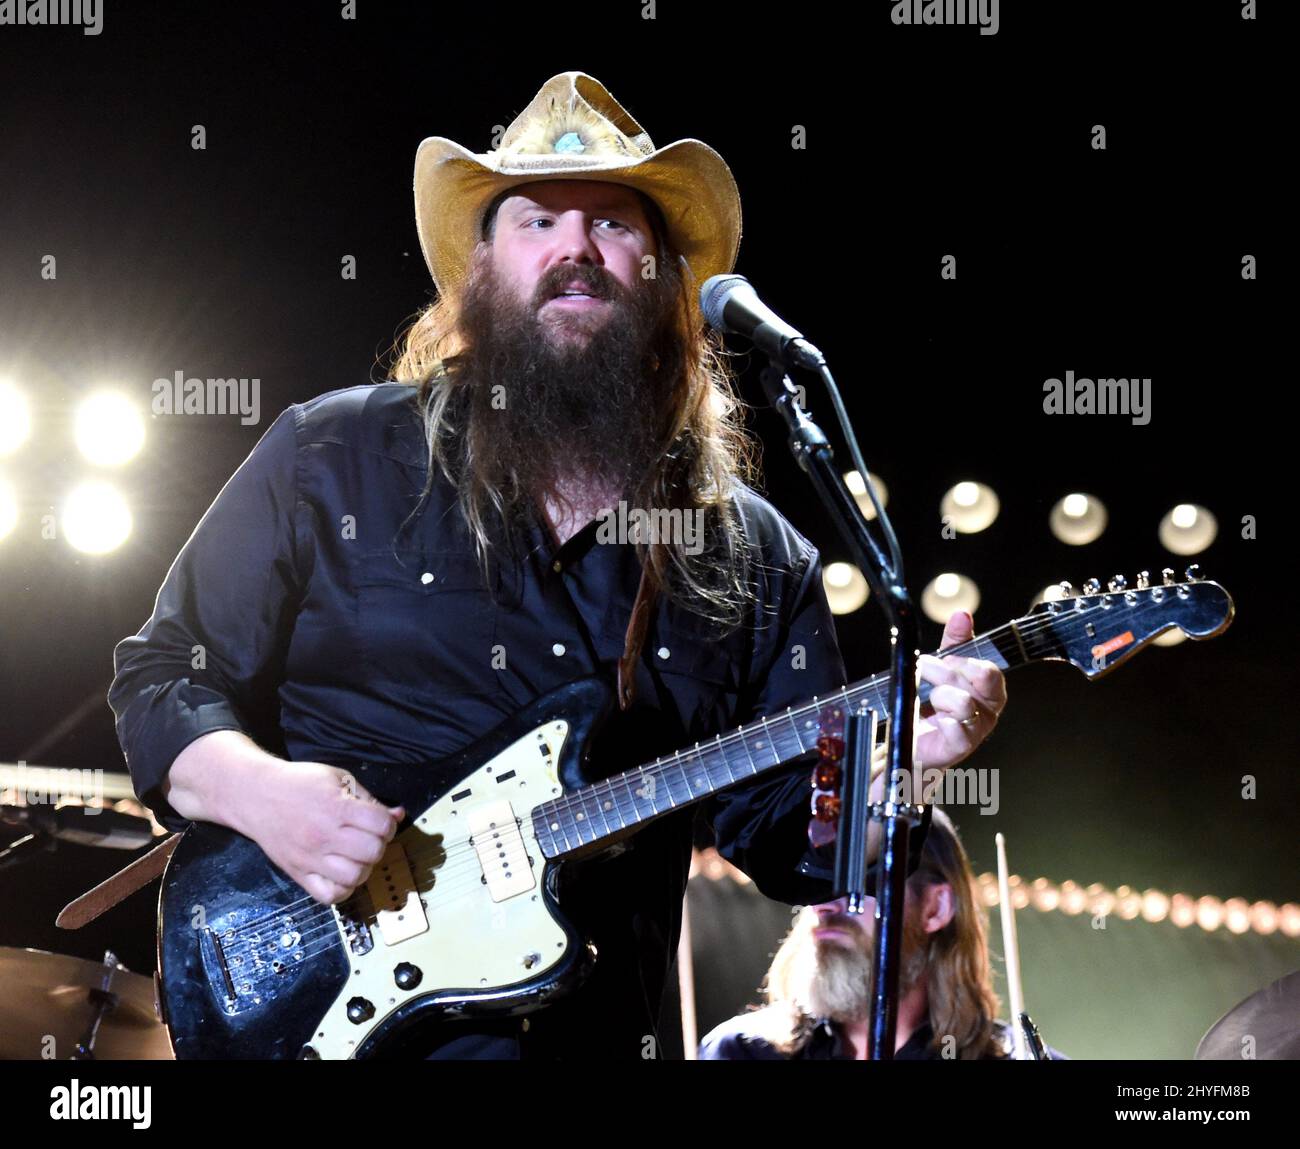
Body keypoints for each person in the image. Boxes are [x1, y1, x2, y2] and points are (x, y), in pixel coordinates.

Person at [108, 71, 1007, 1060]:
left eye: (615, 226)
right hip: (312, 1011)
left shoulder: (756, 559)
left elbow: (791, 842)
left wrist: (896, 772)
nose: (575, 249)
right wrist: (261, 794)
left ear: (666, 280)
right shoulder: (332, 455)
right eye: (537, 221)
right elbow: (164, 672)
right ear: (481, 271)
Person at [699, 807, 1063, 1060]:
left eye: (857, 884)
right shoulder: (739, 1052)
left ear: (935, 908)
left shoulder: (1018, 1057)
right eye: (813, 885)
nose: (820, 905)